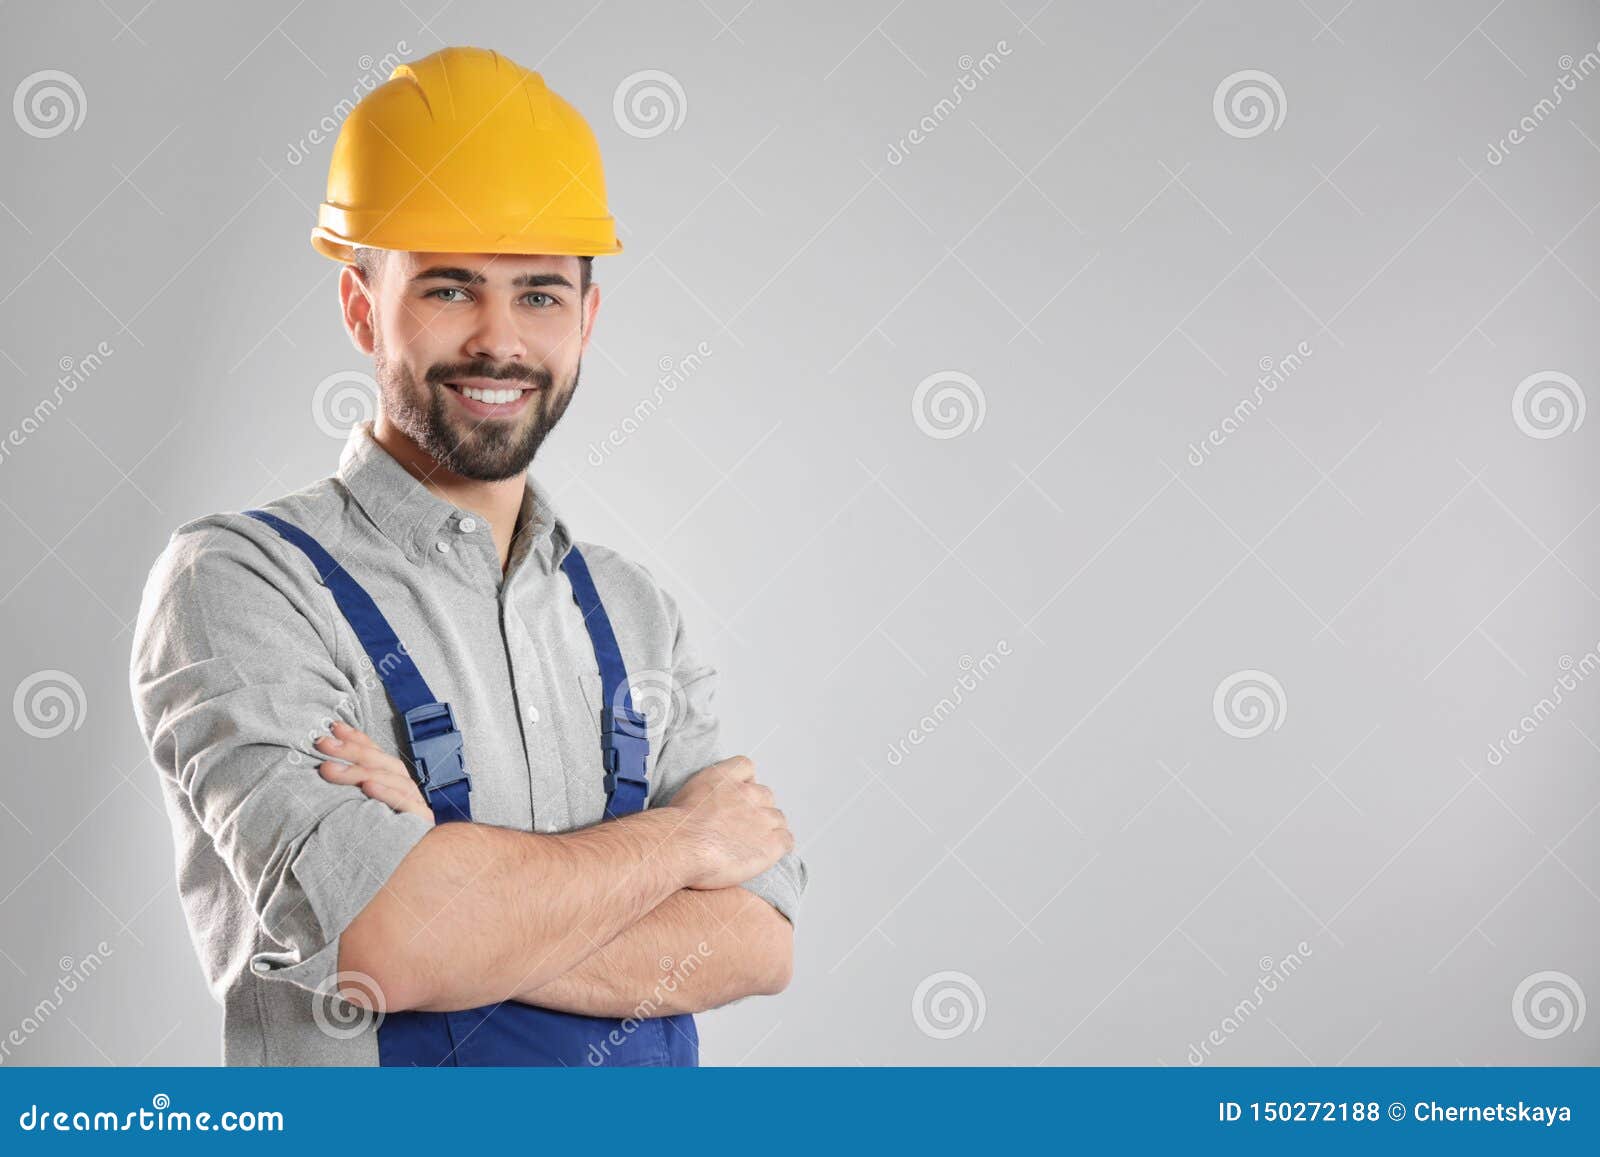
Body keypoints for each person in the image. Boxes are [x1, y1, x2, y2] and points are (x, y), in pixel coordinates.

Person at [128, 45, 805, 1067]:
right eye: (449, 289)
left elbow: (758, 938)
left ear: (586, 318)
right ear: (362, 306)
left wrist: (458, 887)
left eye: (539, 294)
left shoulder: (632, 611)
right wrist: (683, 844)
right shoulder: (242, 584)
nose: (499, 340)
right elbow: (385, 945)